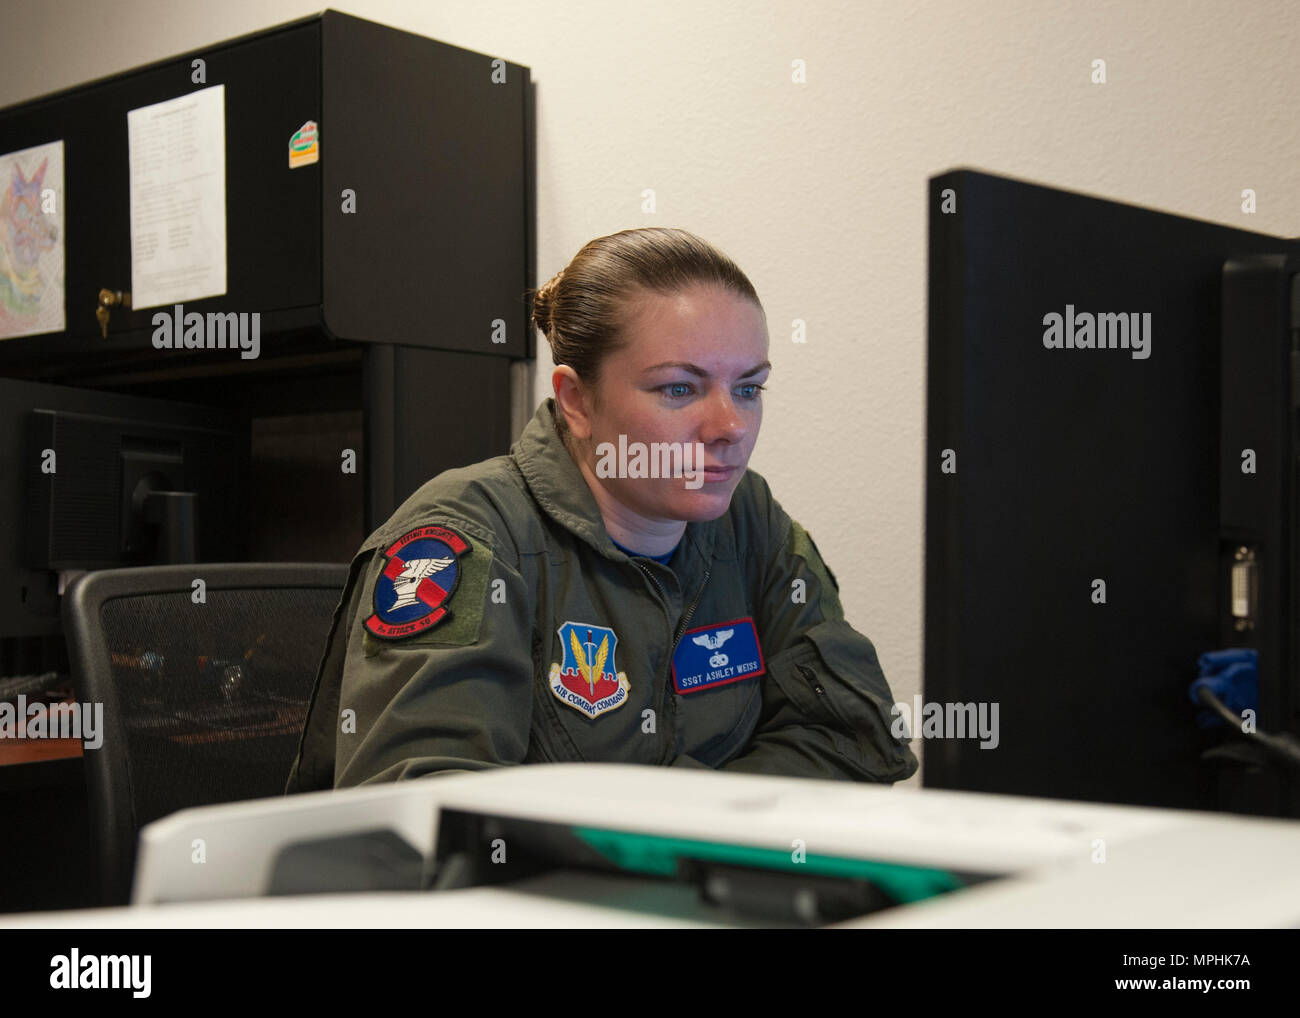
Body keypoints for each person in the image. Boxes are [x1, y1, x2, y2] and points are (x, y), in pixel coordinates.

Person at [285, 227, 918, 792]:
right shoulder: (467, 537)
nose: (730, 425)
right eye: (679, 388)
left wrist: (688, 845)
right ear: (576, 401)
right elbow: (421, 810)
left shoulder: (747, 518)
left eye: (749, 388)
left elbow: (852, 738)